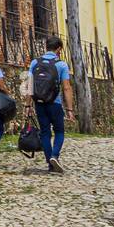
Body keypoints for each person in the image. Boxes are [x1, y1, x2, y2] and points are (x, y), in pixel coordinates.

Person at [29, 37, 74, 174]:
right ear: (59, 49)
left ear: (46, 46)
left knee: (45, 133)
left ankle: (50, 163)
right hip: (55, 103)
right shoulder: (61, 65)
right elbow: (66, 88)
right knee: (59, 131)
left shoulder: (34, 62)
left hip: (39, 103)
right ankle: (55, 156)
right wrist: (70, 109)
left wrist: (27, 105)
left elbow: (29, 85)